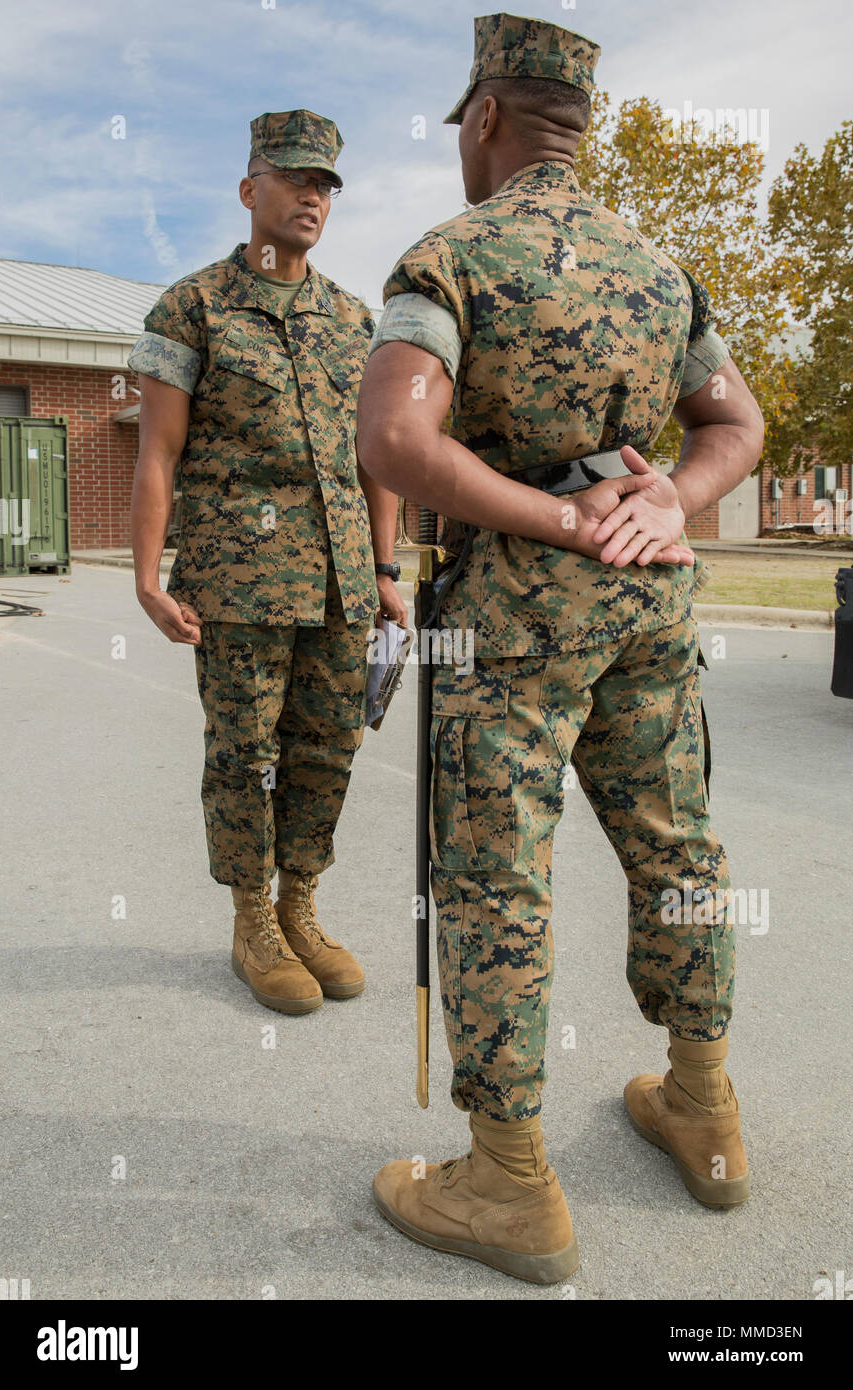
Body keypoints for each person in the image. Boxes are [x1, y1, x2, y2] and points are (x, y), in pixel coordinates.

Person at [357, 14, 764, 1284]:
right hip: (650, 602)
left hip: (515, 611)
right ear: (573, 127)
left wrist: (560, 516)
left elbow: (395, 443)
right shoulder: (655, 270)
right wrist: (662, 503)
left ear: (484, 120)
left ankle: (509, 1185)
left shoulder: (452, 258)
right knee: (676, 843)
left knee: (494, 876)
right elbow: (735, 421)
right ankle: (701, 1108)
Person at [130, 109, 406, 1017]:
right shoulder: (191, 306)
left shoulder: (353, 320)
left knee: (328, 749)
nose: (312, 198)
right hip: (238, 583)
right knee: (245, 755)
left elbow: (376, 457)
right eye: (294, 179)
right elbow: (157, 455)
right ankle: (252, 919)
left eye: (325, 184)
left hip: (338, 583)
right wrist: (145, 576)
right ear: (250, 190)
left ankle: (302, 906)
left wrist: (385, 569)